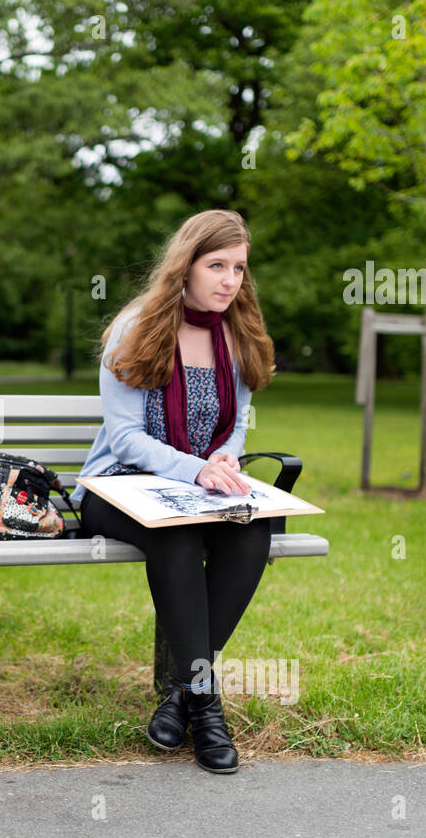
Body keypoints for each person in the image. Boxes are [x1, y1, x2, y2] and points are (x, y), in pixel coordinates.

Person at [72, 210, 276, 774]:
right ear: (185, 264)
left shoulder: (232, 333)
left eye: (239, 267)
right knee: (178, 541)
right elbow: (126, 439)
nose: (230, 280)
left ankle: (180, 695)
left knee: (254, 530)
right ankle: (206, 705)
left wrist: (226, 456)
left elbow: (235, 423)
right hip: (116, 487)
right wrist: (196, 470)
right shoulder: (136, 328)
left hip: (194, 492)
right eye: (217, 265)